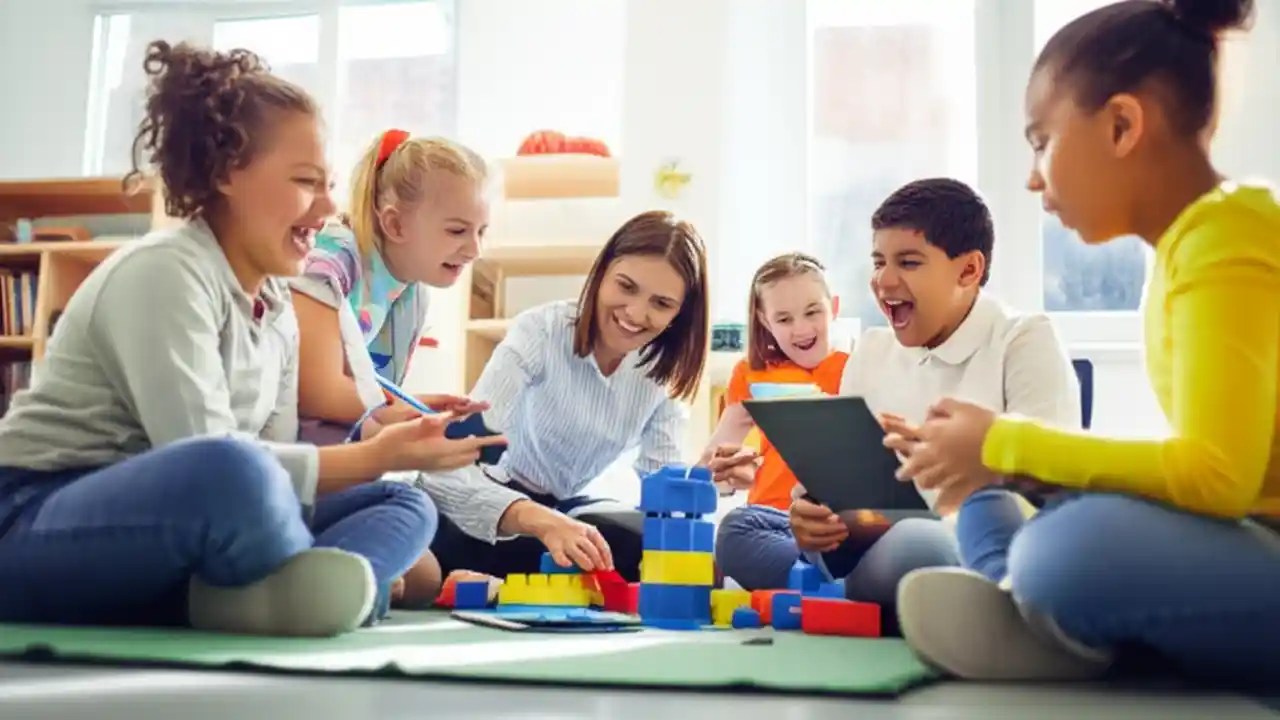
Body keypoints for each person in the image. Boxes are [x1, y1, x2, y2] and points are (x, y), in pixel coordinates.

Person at [0, 41, 501, 637]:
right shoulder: (167, 271)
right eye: (307, 181)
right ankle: (295, 590)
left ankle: (268, 596)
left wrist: (391, 448)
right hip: (33, 514)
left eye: (328, 183)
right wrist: (378, 454)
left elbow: (278, 464)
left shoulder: (278, 307)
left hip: (187, 522)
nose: (329, 206)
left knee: (403, 504)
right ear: (226, 175)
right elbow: (204, 460)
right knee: (234, 470)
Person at [891, 0, 1280, 687]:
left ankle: (1041, 613)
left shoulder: (1227, 241)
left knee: (1069, 547)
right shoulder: (1189, 247)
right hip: (1249, 542)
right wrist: (1008, 469)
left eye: (1042, 141)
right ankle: (1036, 613)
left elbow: (1218, 477)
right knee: (997, 504)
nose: (1032, 177)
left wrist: (1004, 444)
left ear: (1122, 125)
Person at [711, 179, 1080, 625]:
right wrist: (809, 515)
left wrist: (953, 475)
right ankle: (856, 598)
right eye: (878, 262)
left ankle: (844, 597)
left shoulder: (1023, 340)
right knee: (739, 529)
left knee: (915, 544)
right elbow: (833, 484)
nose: (884, 281)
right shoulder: (872, 350)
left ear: (968, 270)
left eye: (908, 262)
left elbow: (1050, 494)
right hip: (864, 549)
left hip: (960, 545)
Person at [427, 210, 710, 582]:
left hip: (561, 514)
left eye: (661, 304)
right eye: (626, 287)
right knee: (451, 523)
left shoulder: (661, 373)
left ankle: (505, 579)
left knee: (632, 541)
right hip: (492, 499)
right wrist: (535, 518)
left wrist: (703, 482)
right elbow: (451, 465)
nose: (636, 313)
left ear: (680, 314)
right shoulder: (540, 331)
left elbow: (662, 493)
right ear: (602, 273)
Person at [291, 130, 492, 606]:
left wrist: (413, 414)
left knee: (422, 578)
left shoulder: (410, 291)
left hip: (336, 455)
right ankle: (315, 582)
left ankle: (338, 580)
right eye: (457, 231)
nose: (474, 250)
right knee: (409, 550)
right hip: (298, 461)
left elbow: (367, 407)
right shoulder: (330, 260)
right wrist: (399, 412)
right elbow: (316, 392)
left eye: (482, 232)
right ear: (395, 224)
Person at [705, 252, 850, 576]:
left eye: (812, 312)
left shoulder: (854, 367)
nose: (801, 329)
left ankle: (820, 573)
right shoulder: (751, 374)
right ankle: (822, 576)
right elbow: (716, 463)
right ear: (764, 320)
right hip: (774, 522)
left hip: (833, 523)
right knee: (733, 533)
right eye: (784, 319)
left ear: (834, 307)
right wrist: (727, 474)